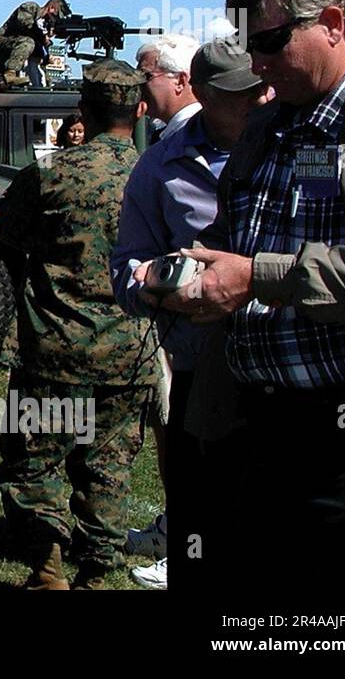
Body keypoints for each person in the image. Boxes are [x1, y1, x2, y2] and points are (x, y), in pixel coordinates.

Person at [145, 0, 345, 589]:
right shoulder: (267, 125)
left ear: (334, 25)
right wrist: (190, 271)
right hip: (251, 426)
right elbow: (235, 239)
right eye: (247, 45)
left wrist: (258, 277)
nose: (256, 63)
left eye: (271, 42)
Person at [110, 37, 270, 590]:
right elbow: (125, 268)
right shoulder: (159, 166)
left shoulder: (288, 144)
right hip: (204, 375)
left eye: (258, 87)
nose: (257, 99)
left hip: (286, 373)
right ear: (201, 93)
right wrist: (164, 289)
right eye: (239, 94)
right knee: (202, 523)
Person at [0, 59, 156, 590]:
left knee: (34, 463)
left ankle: (47, 571)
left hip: (55, 350)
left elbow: (12, 234)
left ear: (82, 109)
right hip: (131, 353)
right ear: (138, 110)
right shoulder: (156, 175)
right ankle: (96, 575)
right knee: (108, 467)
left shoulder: (51, 173)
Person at [0, 0, 70, 89]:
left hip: (11, 51)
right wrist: (42, 37)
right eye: (56, 16)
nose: (54, 20)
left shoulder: (41, 26)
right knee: (28, 43)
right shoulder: (31, 7)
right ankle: (10, 75)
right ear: (51, 8)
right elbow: (25, 24)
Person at [135, 33, 201, 141]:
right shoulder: (180, 132)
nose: (138, 84)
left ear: (179, 81)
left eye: (146, 76)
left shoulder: (195, 135)